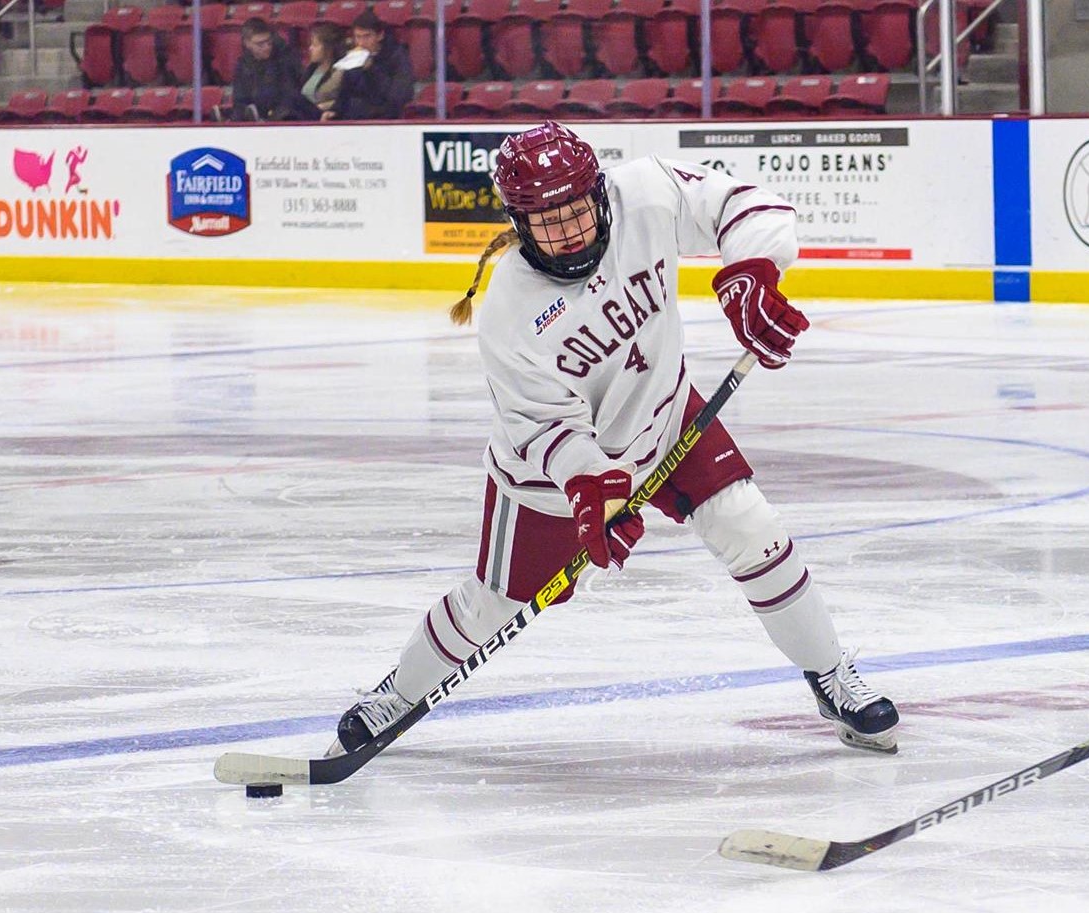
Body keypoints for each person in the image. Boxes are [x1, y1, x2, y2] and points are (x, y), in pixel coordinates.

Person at [329, 122, 900, 765]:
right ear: (519, 224)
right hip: (551, 479)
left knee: (750, 525)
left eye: (575, 208)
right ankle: (397, 695)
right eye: (547, 219)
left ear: (599, 192)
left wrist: (751, 273)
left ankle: (830, 674)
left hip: (666, 414)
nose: (568, 229)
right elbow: (544, 425)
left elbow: (746, 204)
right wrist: (593, 490)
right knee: (495, 602)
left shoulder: (646, 194)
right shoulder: (510, 311)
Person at [330, 10, 415, 120]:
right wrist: (334, 110)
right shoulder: (355, 57)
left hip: (383, 115)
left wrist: (372, 70)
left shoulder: (397, 56)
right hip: (354, 114)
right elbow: (345, 92)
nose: (361, 43)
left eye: (367, 36)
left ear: (380, 36)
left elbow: (398, 96)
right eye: (358, 37)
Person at [231, 18, 314, 122]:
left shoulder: (285, 59)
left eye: (269, 42)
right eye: (260, 44)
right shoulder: (242, 64)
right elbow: (239, 98)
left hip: (285, 116)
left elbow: (289, 94)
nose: (266, 47)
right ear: (247, 43)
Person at [302, 23, 349, 118]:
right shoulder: (311, 69)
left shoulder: (340, 71)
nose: (310, 48)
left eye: (315, 45)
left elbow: (343, 99)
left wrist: (325, 105)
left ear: (328, 49)